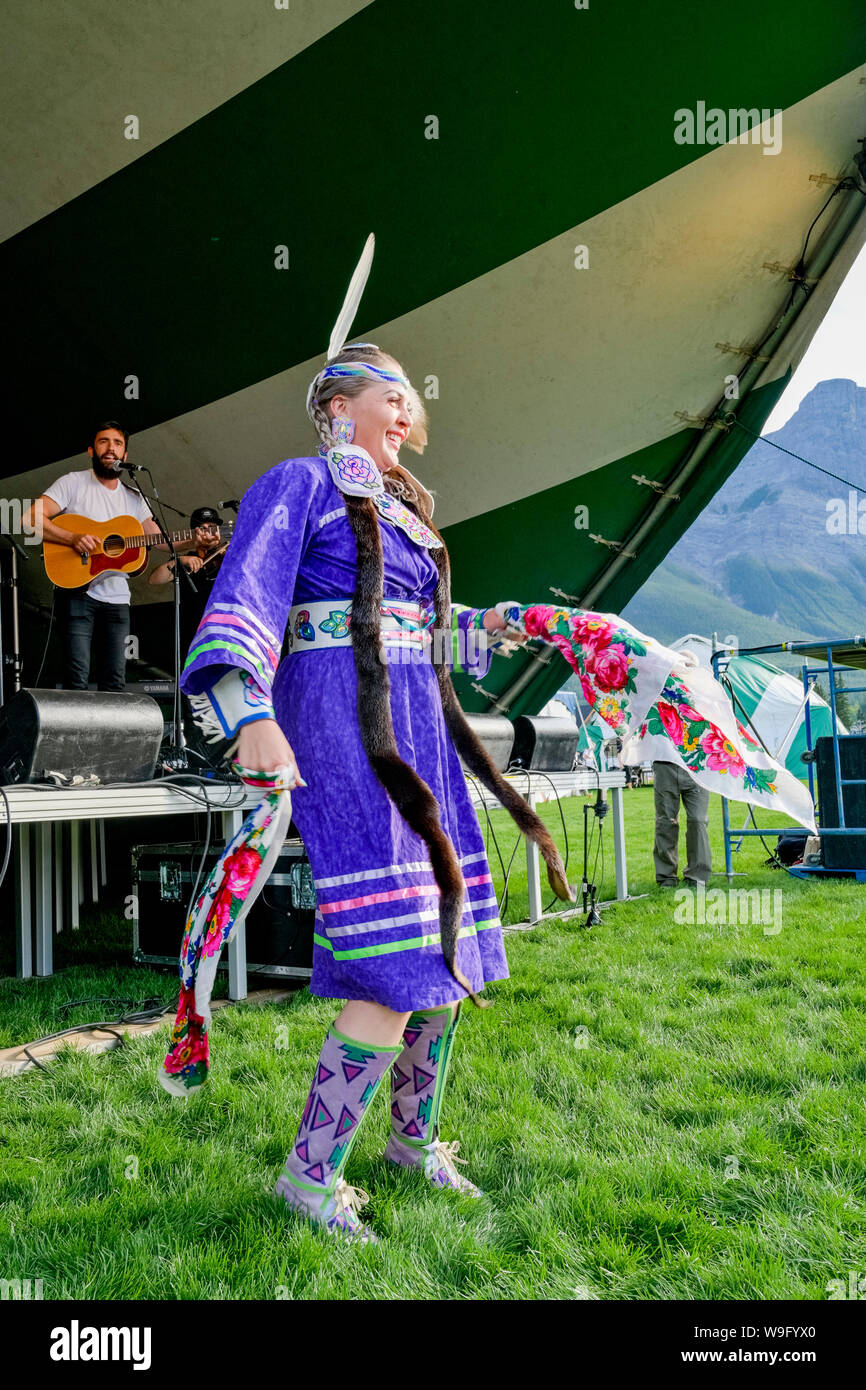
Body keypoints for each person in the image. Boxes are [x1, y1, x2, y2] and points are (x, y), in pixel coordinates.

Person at [178, 324, 570, 1243]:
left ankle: (412, 1145)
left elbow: (422, 635)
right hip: (344, 732)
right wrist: (252, 718)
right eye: (386, 391)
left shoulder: (407, 518)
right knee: (394, 960)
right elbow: (245, 598)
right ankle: (308, 1182)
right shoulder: (300, 484)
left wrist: (501, 625)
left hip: (422, 738)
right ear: (334, 405)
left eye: (410, 397)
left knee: (445, 946)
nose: (406, 407)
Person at [25, 421, 194, 691]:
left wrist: (194, 540)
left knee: (115, 683)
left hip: (117, 601)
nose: (110, 449)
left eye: (117, 444)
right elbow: (29, 518)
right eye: (104, 442)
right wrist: (72, 538)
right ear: (91, 451)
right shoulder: (73, 482)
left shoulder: (134, 497)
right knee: (76, 681)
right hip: (78, 594)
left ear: (125, 456)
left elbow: (158, 539)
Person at [148, 505, 226, 654]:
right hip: (194, 635)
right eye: (202, 528)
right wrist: (179, 561)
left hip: (223, 632)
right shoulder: (188, 559)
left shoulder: (229, 555)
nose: (208, 533)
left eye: (212, 527)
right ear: (194, 533)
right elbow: (154, 579)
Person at [652, 758, 712, 886]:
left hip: (696, 764)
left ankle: (697, 877)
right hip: (665, 764)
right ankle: (666, 878)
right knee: (666, 821)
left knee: (698, 820)